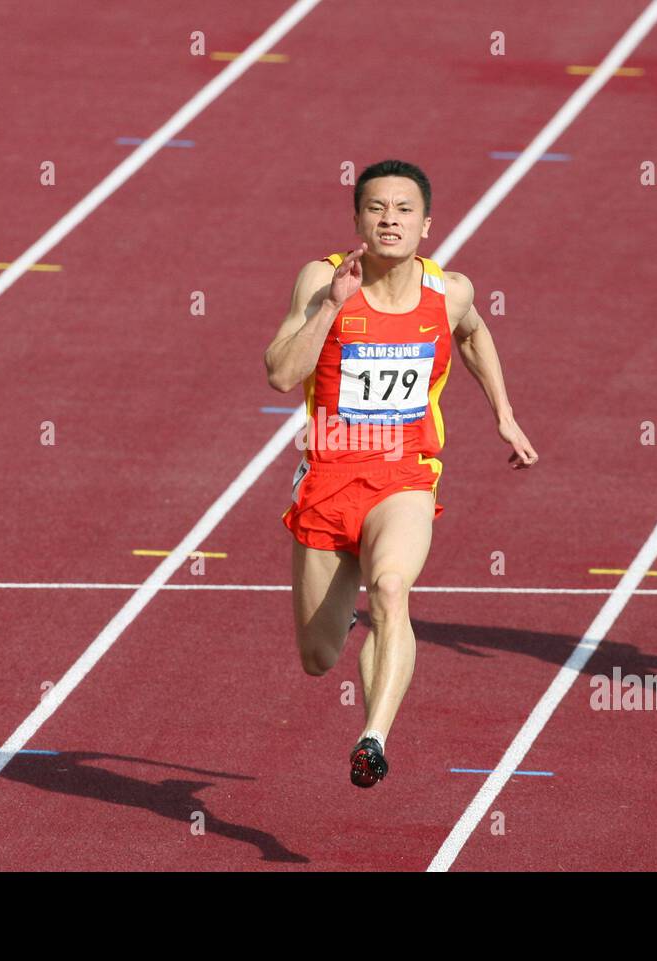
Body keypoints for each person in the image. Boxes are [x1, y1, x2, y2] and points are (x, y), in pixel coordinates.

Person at [264, 159, 537, 786]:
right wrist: (332, 309)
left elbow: (471, 333)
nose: (390, 219)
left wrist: (505, 413)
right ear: (358, 219)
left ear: (427, 223)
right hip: (328, 480)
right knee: (318, 656)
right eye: (377, 208)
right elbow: (280, 373)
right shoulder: (321, 279)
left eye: (404, 209)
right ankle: (359, 609)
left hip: (405, 477)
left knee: (392, 588)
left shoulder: (451, 291)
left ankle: (373, 737)